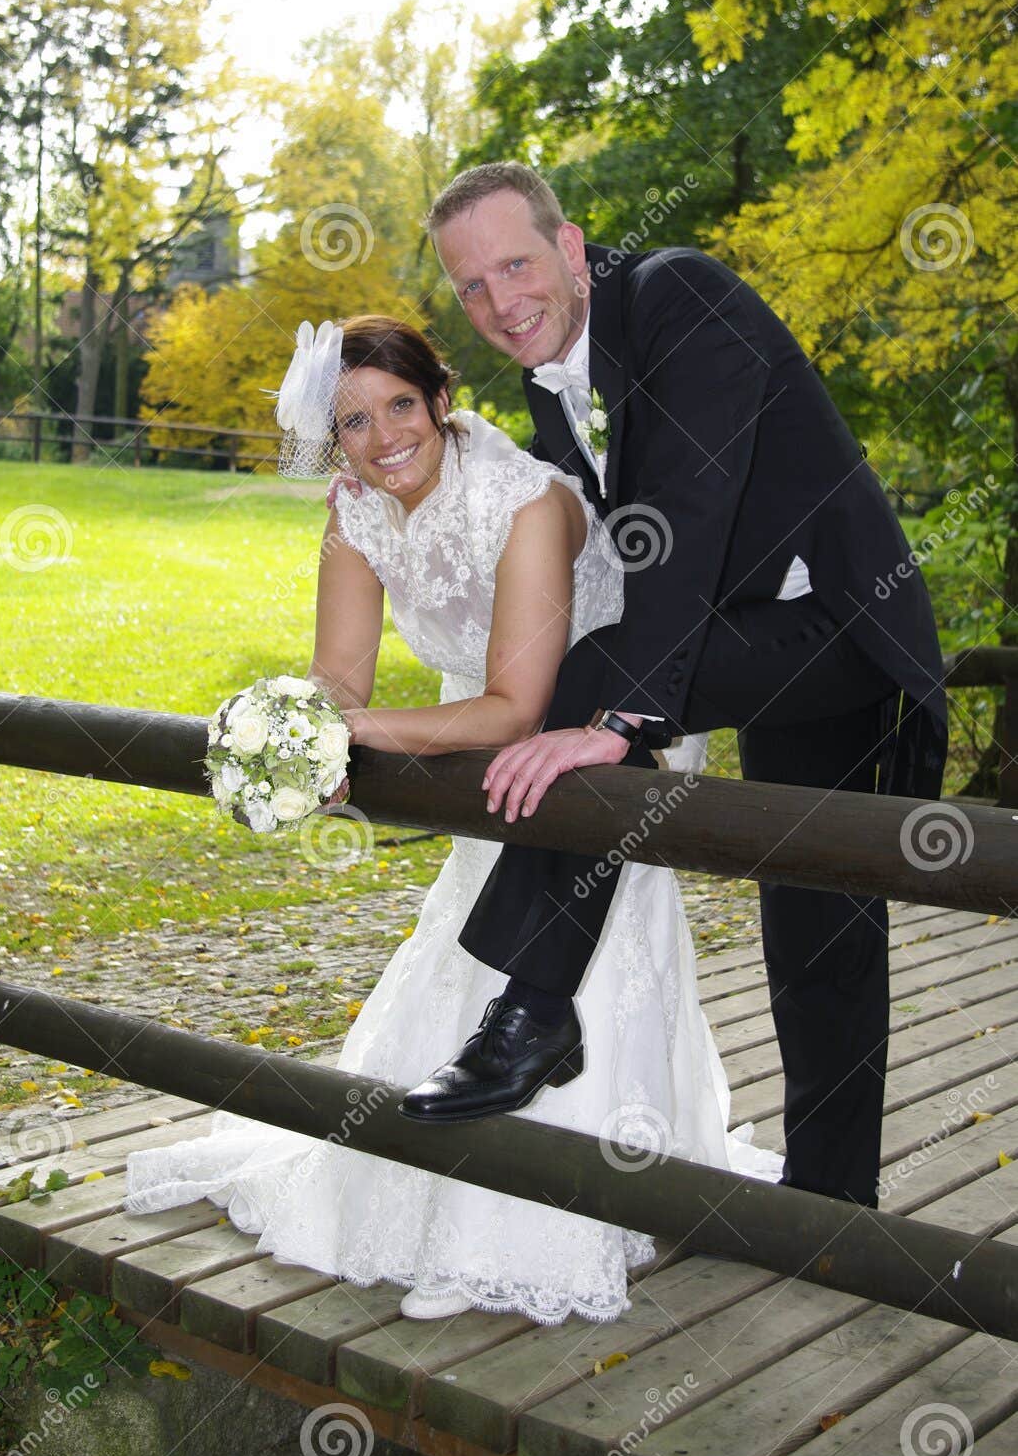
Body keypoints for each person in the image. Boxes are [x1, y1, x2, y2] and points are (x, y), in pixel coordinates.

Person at [123, 315, 782, 1328]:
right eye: (353, 421)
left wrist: (349, 736)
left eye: (399, 405)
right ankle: (440, 1199)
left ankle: (550, 1219)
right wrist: (305, 731)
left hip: (601, 725)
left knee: (591, 945)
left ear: (439, 400)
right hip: (471, 734)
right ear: (331, 439)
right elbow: (337, 679)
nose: (383, 437)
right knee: (474, 938)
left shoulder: (520, 499)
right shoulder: (353, 511)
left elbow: (517, 706)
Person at [398, 162, 947, 1212]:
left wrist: (622, 716)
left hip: (838, 618)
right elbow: (606, 542)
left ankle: (534, 1007)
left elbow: (685, 515)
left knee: (818, 908)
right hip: (748, 634)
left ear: (569, 248)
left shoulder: (678, 293)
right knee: (805, 907)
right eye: (471, 287)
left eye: (515, 264)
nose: (499, 302)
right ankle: (826, 1198)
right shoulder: (546, 381)